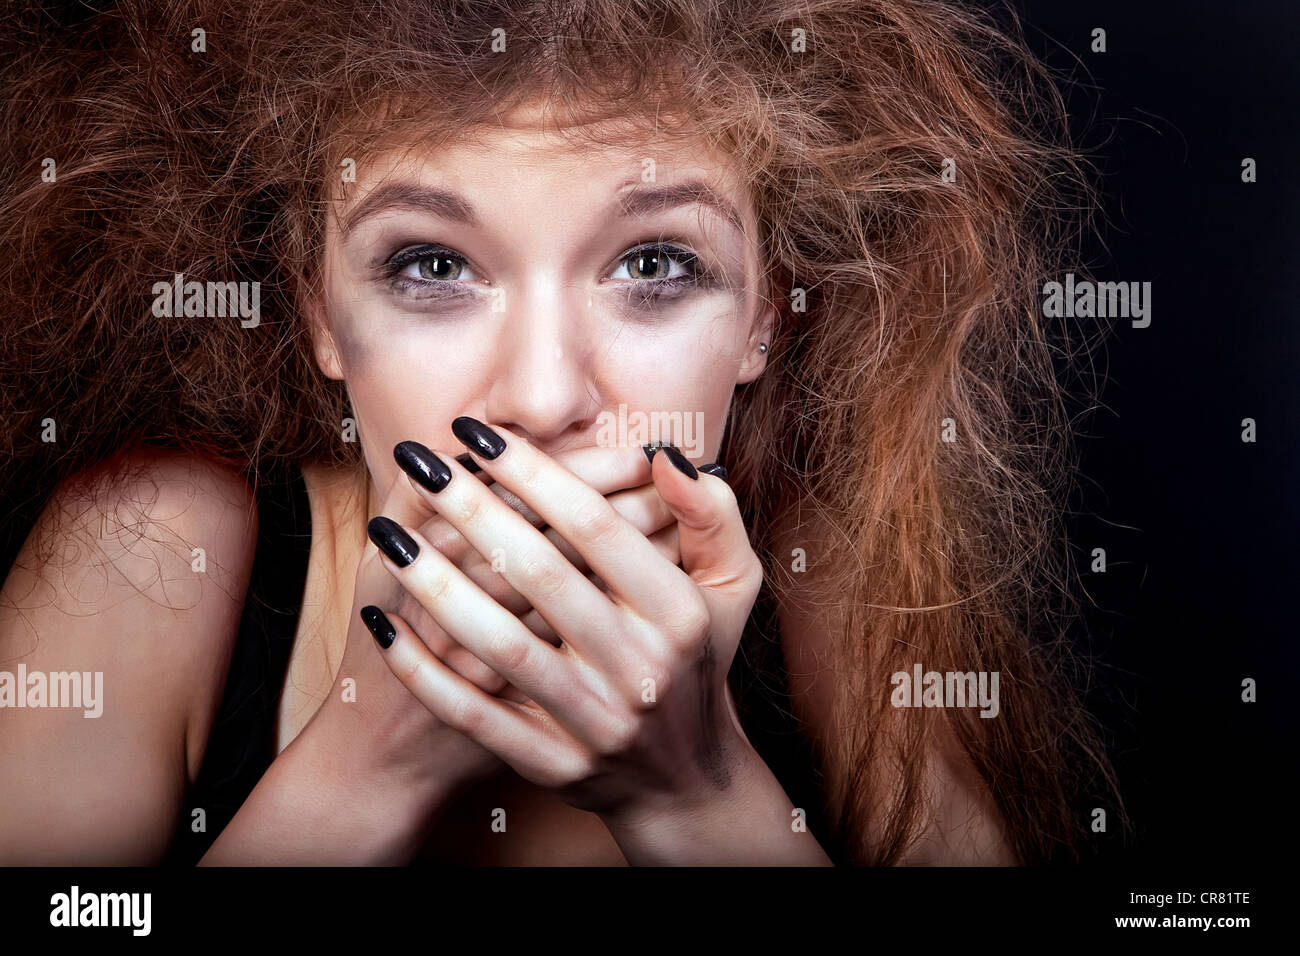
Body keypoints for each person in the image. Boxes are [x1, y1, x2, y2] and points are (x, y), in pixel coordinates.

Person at [0, 0, 1122, 865]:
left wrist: (692, 789)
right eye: (432, 265)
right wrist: (364, 766)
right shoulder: (153, 546)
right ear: (317, 315)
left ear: (765, 318)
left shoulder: (832, 578)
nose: (541, 396)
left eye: (654, 265)